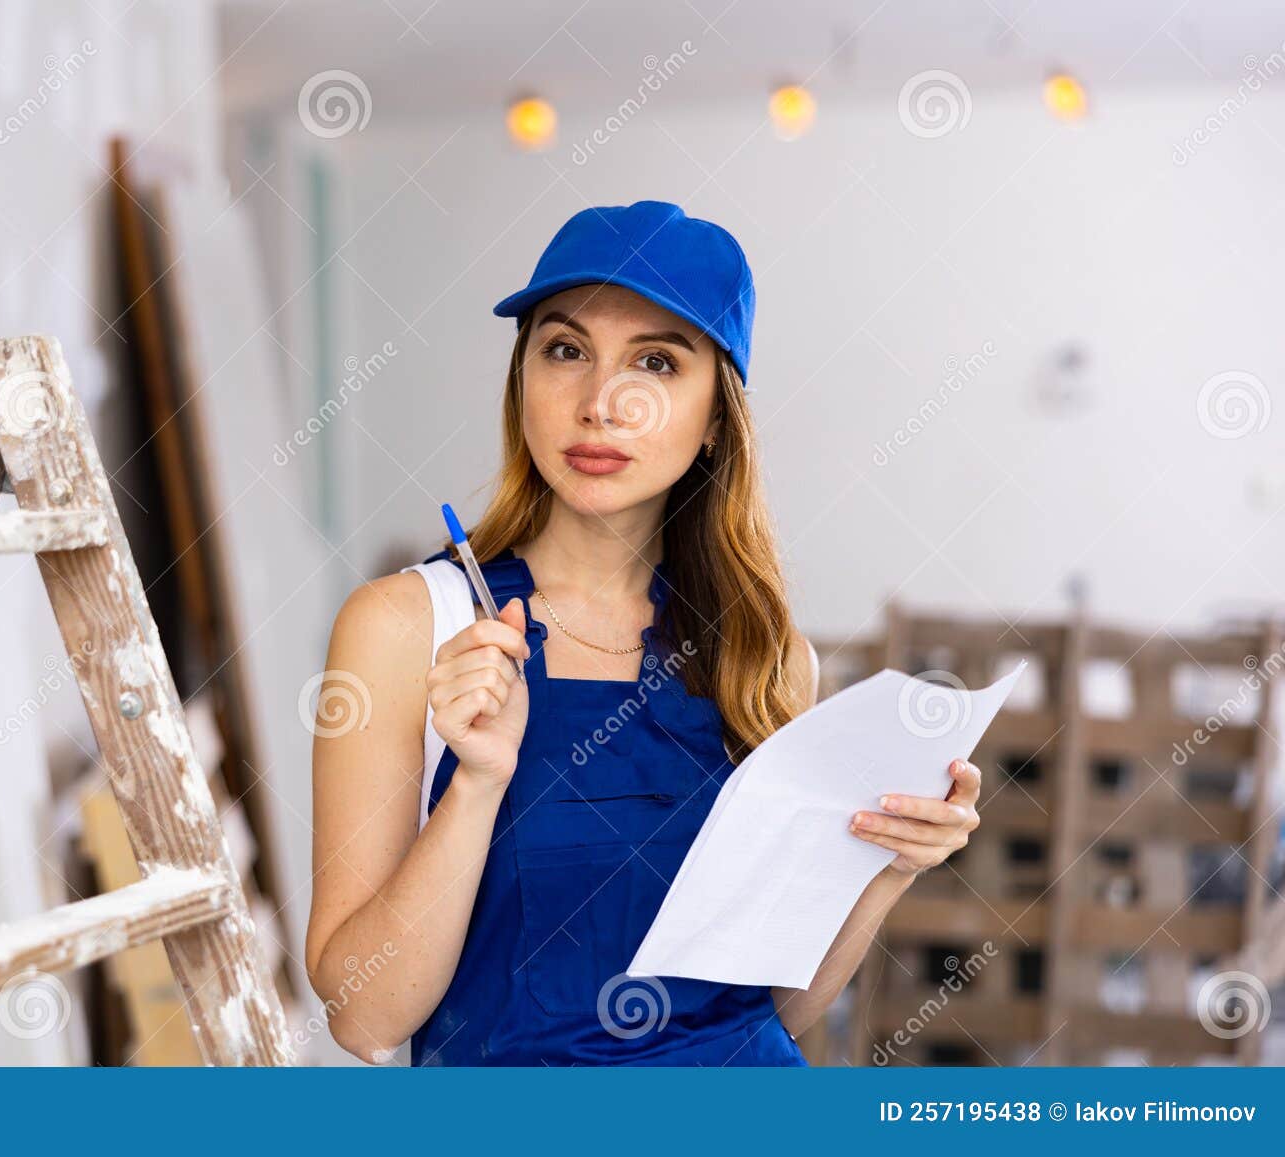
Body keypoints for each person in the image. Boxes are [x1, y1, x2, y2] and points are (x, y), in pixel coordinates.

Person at [305, 199, 983, 1065]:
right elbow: (364, 1019)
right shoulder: (408, 625)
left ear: (715, 420)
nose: (602, 402)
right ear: (521, 383)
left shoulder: (766, 657)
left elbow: (775, 1007)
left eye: (656, 363)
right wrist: (477, 783)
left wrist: (889, 866)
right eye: (565, 350)